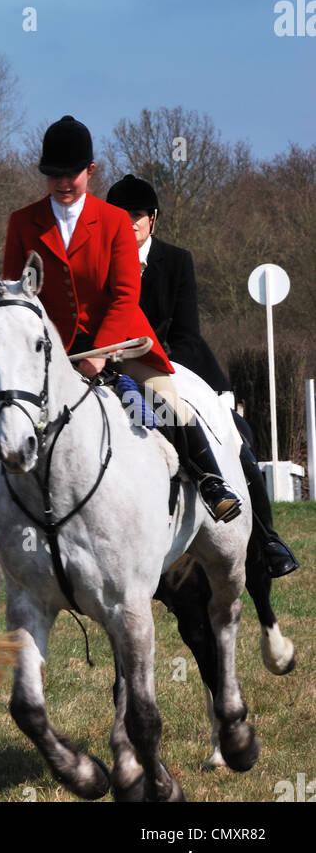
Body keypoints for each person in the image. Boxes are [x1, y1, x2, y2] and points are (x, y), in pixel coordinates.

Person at [2, 116, 242, 522]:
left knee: (168, 404)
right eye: (53, 174)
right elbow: (15, 292)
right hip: (52, 349)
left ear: (90, 171)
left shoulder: (113, 221)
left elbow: (125, 295)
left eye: (72, 174)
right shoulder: (23, 222)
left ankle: (211, 481)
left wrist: (99, 355)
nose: (63, 183)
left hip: (118, 343)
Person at [105, 173, 298, 578]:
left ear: (152, 219)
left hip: (178, 363)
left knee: (235, 437)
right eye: (121, 215)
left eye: (138, 215)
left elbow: (188, 334)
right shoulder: (102, 263)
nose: (130, 222)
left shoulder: (176, 261)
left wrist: (151, 363)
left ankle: (266, 537)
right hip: (113, 369)